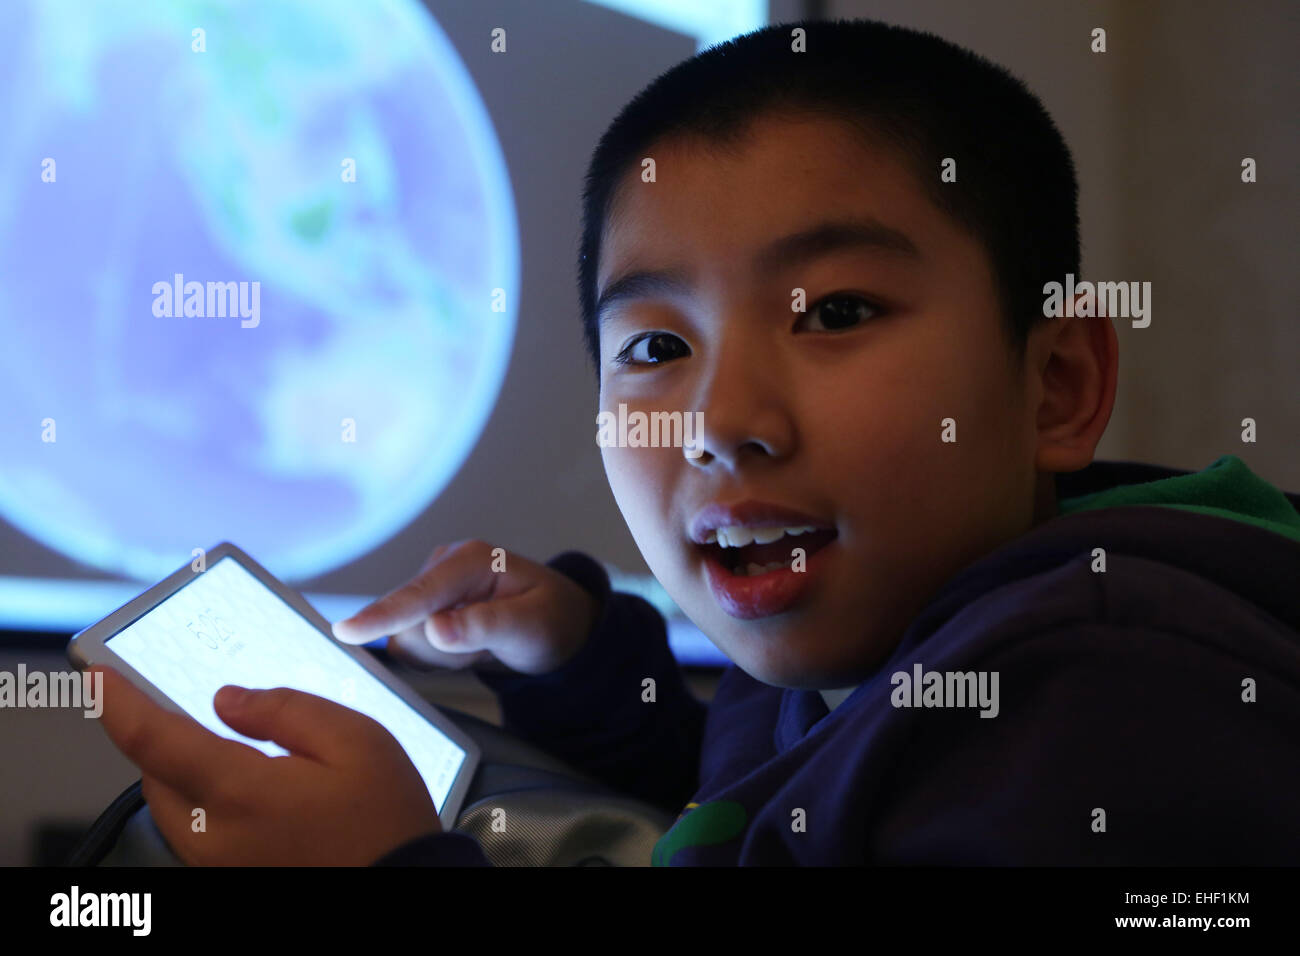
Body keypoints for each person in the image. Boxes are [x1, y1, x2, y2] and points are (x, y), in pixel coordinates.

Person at [93, 18, 1300, 866]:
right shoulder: (885, 651)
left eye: (834, 312)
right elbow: (755, 795)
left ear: (1056, 386)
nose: (724, 423)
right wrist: (570, 655)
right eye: (657, 349)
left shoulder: (1102, 699)